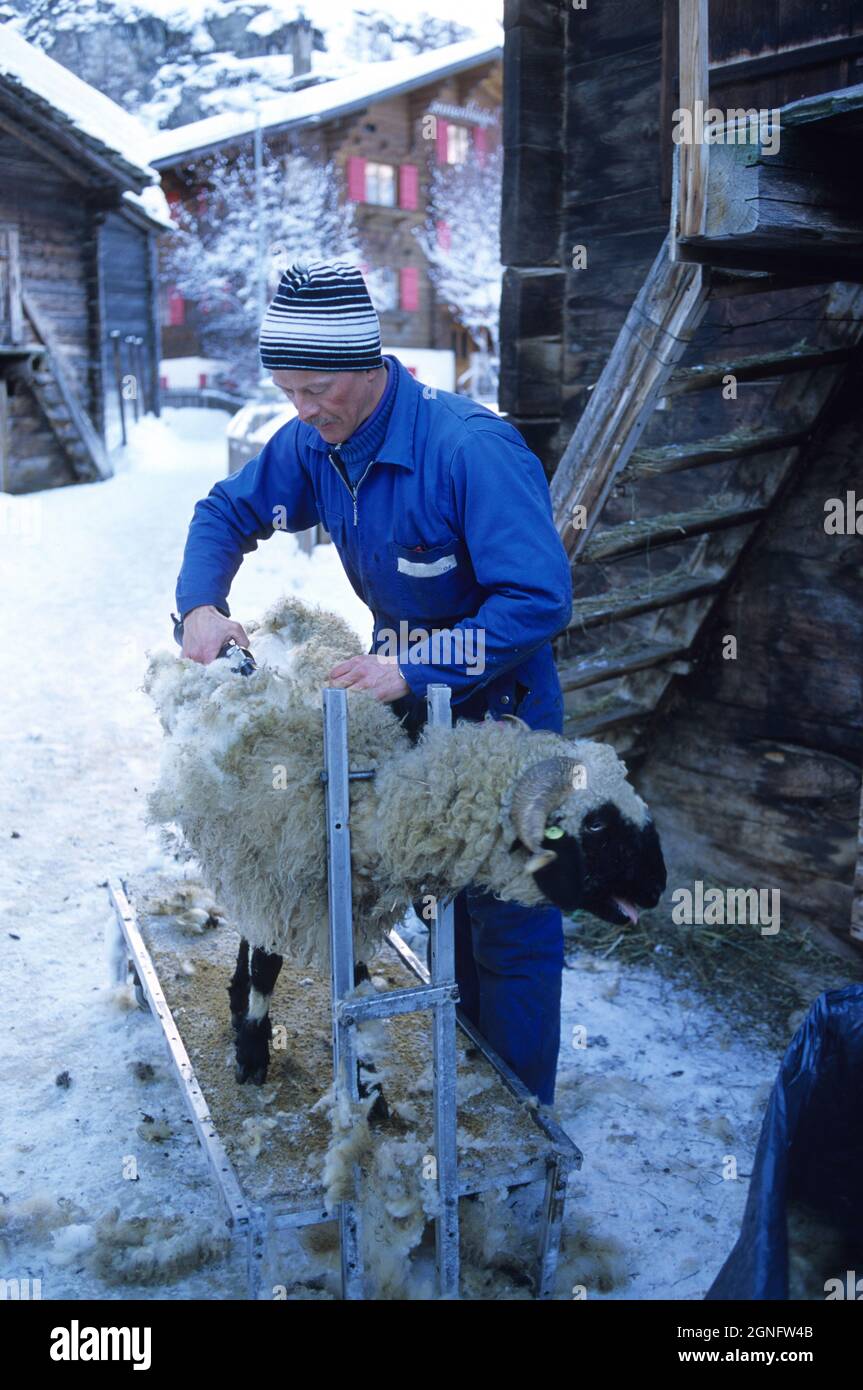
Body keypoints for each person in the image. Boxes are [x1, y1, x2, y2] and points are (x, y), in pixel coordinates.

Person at [175, 259, 573, 1104]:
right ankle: (464, 1076)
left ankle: (520, 1119)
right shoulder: (320, 445)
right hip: (407, 712)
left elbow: (538, 599)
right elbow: (226, 511)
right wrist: (201, 607)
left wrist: (413, 666)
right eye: (287, 391)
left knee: (509, 910)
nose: (302, 410)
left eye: (316, 388)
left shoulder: (468, 449)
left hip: (504, 716)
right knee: (441, 902)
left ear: (369, 364)